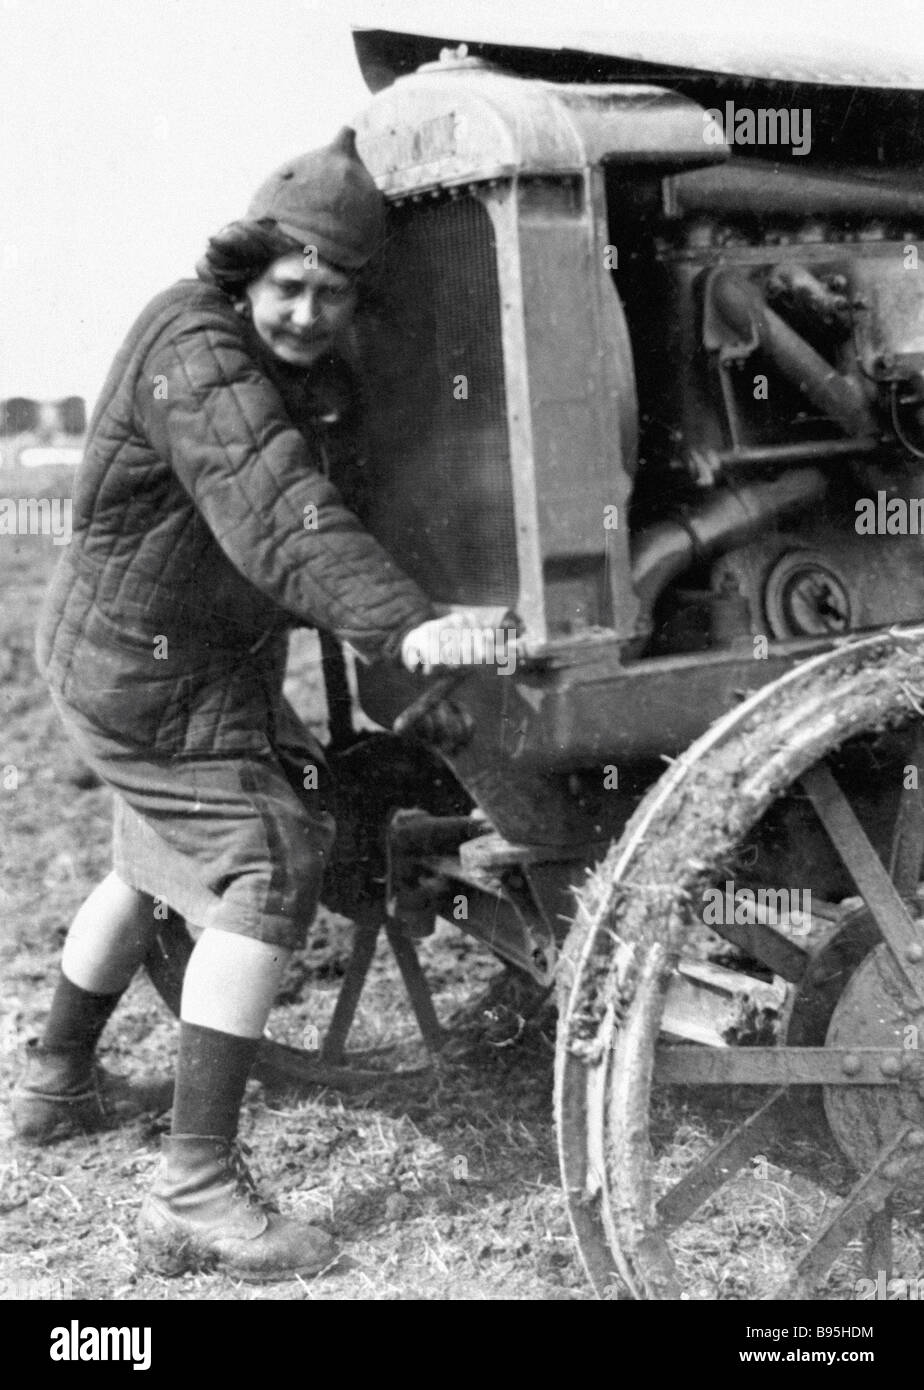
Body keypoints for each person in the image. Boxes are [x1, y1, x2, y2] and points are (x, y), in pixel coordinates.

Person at [13, 128, 487, 1283]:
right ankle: (196, 1190)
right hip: (143, 671)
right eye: (288, 286)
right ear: (244, 271)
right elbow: (275, 505)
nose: (307, 313)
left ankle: (54, 1084)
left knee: (147, 858)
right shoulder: (194, 347)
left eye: (333, 293)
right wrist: (403, 622)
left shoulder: (290, 363)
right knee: (270, 858)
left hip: (171, 660)